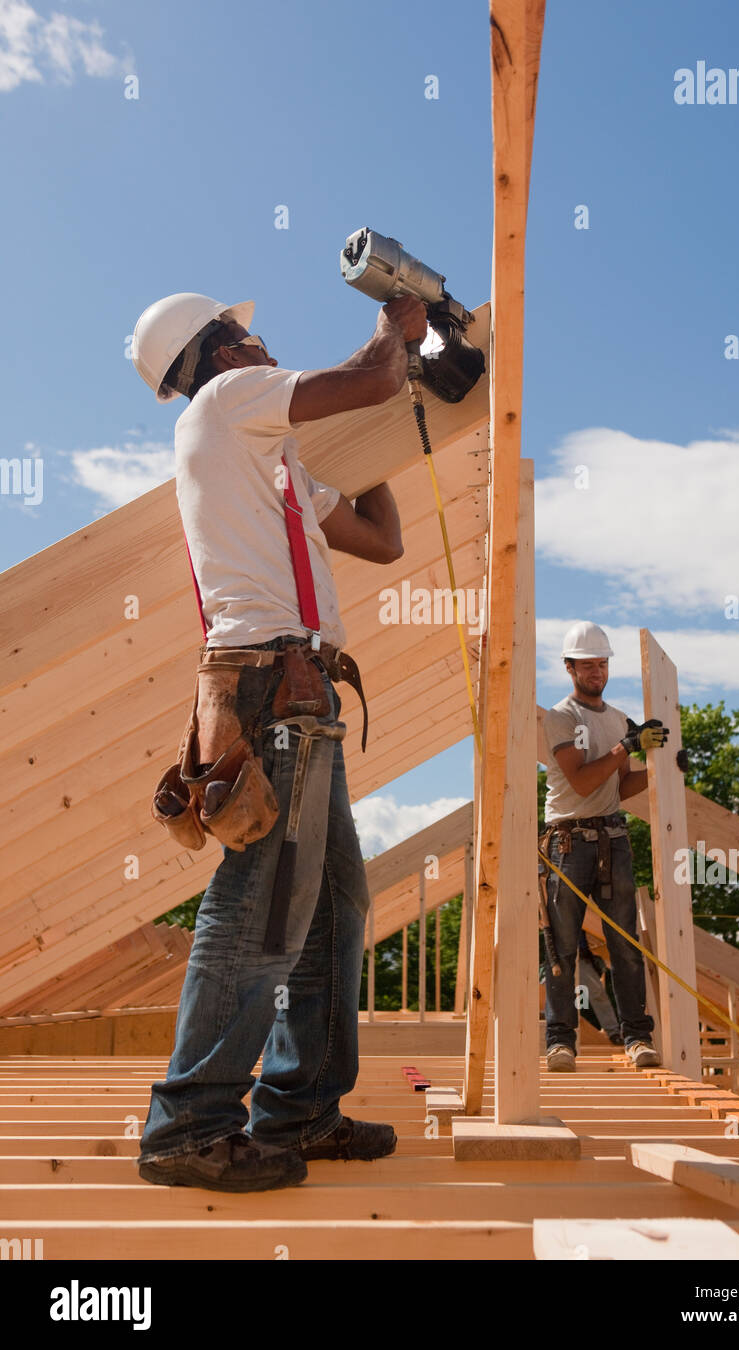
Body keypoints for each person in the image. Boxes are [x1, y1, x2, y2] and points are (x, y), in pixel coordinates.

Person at [130, 289, 428, 1190]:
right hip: (269, 686)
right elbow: (375, 377)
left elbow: (383, 540)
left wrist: (358, 445)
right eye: (248, 333)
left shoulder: (273, 460)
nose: (264, 342)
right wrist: (397, 326)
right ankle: (188, 1127)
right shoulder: (229, 404)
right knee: (259, 910)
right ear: (221, 354)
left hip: (296, 692)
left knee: (334, 908)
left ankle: (299, 1110)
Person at [540, 620, 670, 1073]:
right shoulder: (560, 717)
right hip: (567, 842)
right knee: (561, 946)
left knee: (625, 944)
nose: (597, 671)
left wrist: (666, 770)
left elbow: (619, 785)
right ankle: (560, 1042)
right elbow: (579, 780)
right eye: (588, 664)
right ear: (570, 666)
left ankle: (637, 1037)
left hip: (612, 839)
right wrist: (625, 745)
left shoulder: (617, 719)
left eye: (602, 663)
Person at [577, 930, 623, 1048]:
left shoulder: (584, 914)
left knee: (597, 993)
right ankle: (558, 1035)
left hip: (582, 957)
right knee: (557, 996)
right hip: (560, 957)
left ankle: (614, 1033)